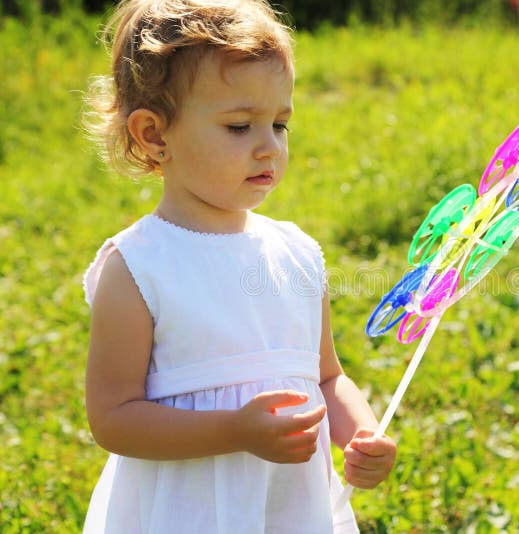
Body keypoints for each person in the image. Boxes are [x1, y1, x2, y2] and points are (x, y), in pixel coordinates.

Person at [81, 1, 396, 532]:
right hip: (186, 514)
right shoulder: (138, 267)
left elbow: (327, 377)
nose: (268, 147)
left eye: (280, 124)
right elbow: (113, 418)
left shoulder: (298, 254)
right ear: (154, 134)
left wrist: (363, 433)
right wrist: (235, 431)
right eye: (239, 126)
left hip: (288, 510)